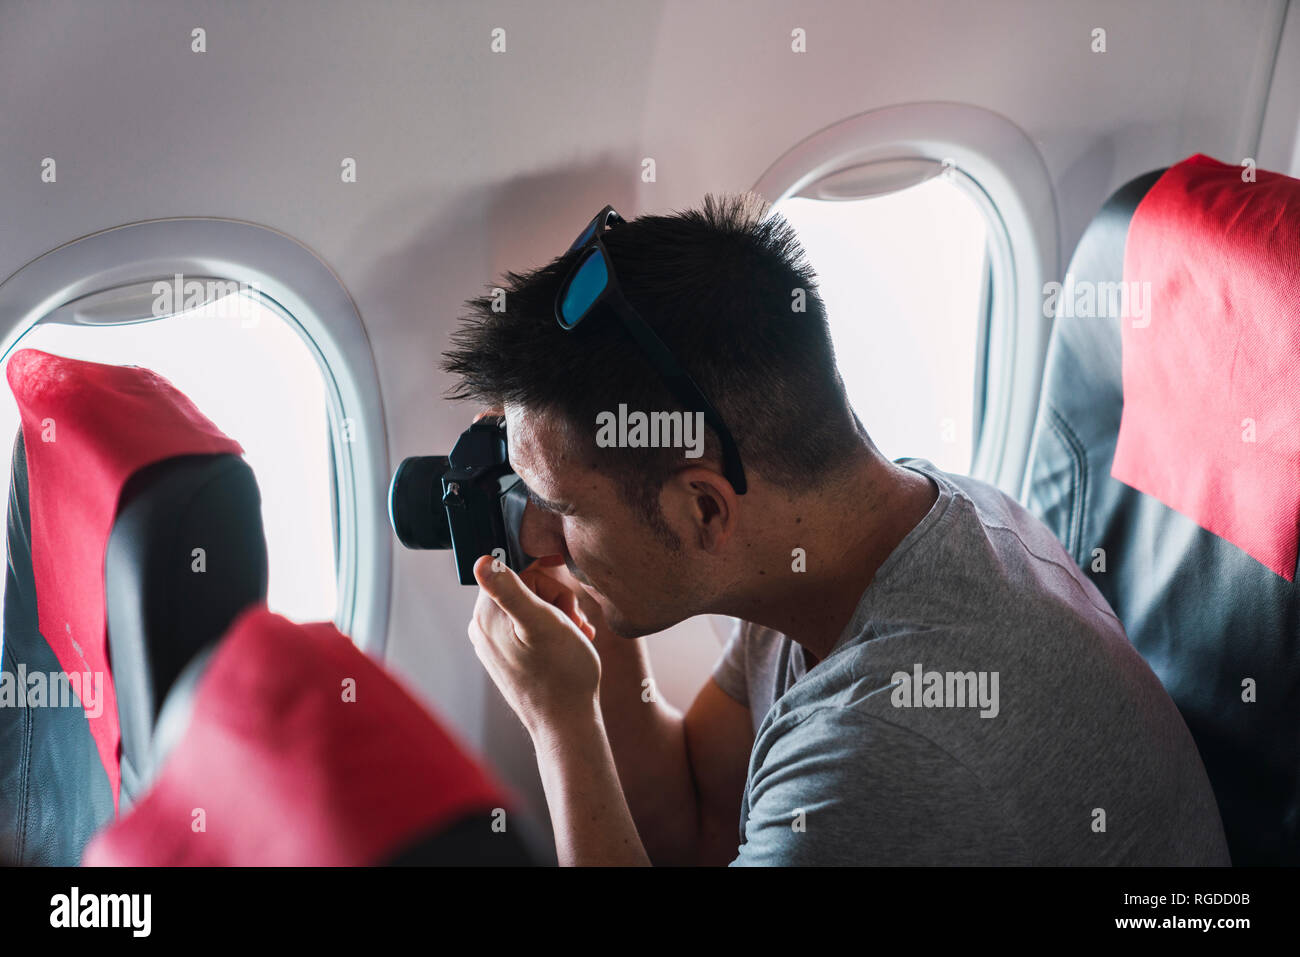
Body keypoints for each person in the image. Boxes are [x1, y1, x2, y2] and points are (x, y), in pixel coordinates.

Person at [443, 192, 1230, 866]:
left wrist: (561, 723)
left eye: (564, 510)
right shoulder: (845, 535)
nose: (537, 538)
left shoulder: (889, 752)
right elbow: (698, 826)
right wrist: (589, 637)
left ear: (705, 508)